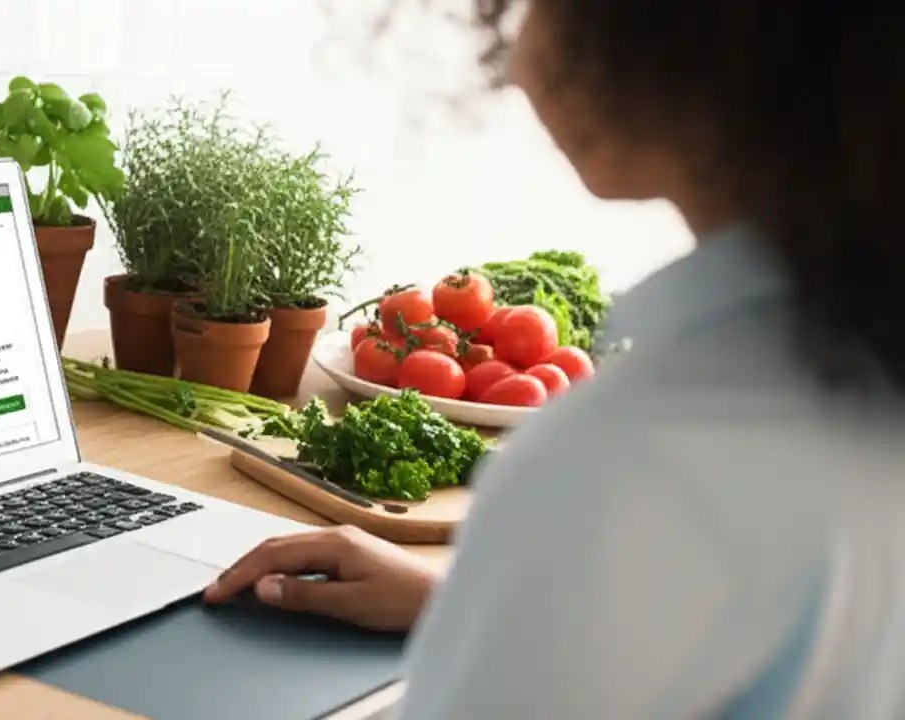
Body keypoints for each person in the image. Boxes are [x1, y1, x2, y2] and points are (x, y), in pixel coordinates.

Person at [204, 2, 905, 717]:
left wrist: (542, 583)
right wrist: (497, 609)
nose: (515, 57)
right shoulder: (859, 374)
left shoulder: (629, 460)